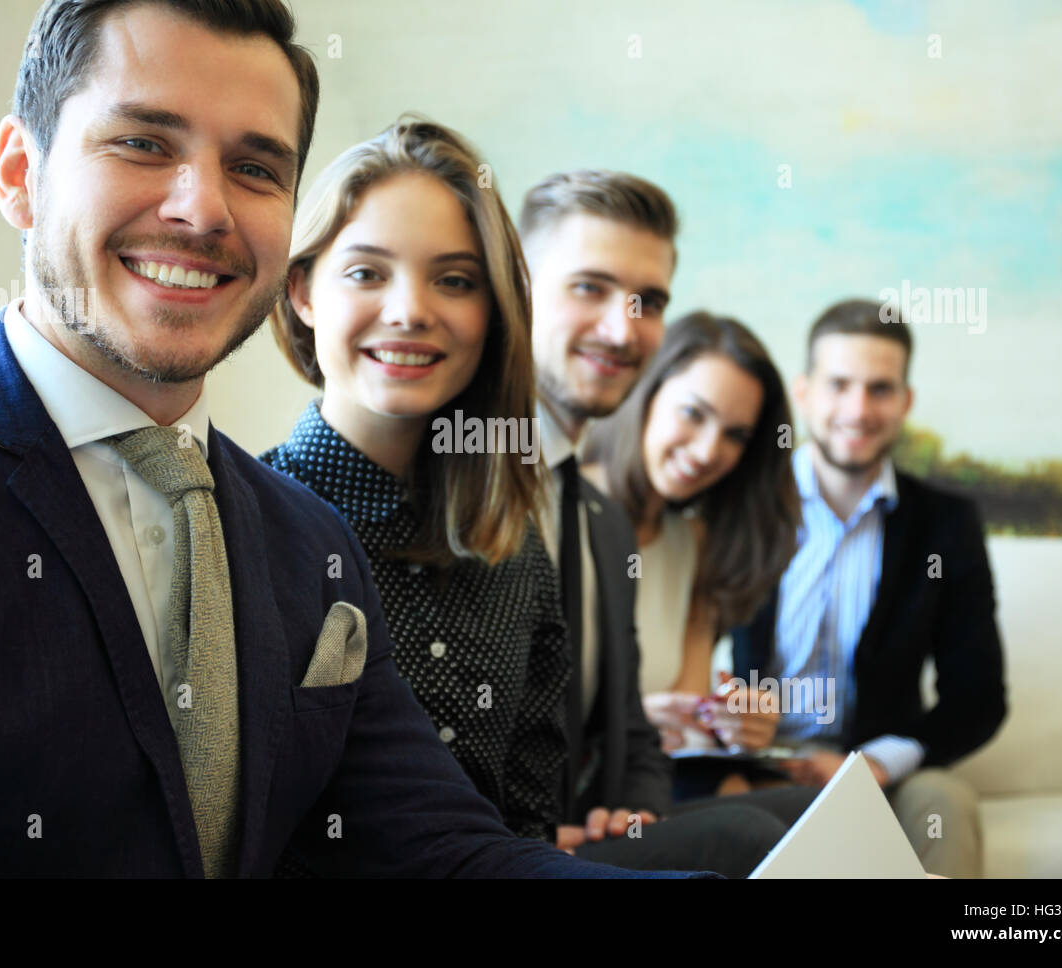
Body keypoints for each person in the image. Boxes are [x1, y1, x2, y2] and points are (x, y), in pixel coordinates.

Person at [0, 0, 704, 879]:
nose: (202, 208)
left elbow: (444, 848)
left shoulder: (307, 540)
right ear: (21, 172)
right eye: (144, 142)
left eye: (254, 167)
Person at [263, 124, 789, 877]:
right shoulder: (251, 523)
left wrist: (601, 826)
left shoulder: (514, 537)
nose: (411, 309)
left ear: (494, 306)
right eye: (367, 273)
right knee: (746, 840)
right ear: (303, 290)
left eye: (454, 280)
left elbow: (536, 797)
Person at [518, 171, 814, 863]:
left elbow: (657, 726)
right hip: (534, 824)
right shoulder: (524, 487)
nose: (709, 450)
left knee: (810, 807)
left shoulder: (631, 526)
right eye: (589, 285)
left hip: (612, 797)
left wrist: (721, 731)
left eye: (646, 301)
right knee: (746, 829)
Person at [729, 298, 1008, 877]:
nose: (857, 409)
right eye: (839, 385)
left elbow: (978, 699)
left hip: (877, 767)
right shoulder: (740, 503)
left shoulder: (945, 524)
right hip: (754, 763)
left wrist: (872, 765)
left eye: (880, 389)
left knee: (945, 803)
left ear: (906, 402)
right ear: (804, 392)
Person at [582, 312, 800, 795]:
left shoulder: (694, 544)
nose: (706, 451)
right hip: (563, 804)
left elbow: (685, 731)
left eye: (735, 435)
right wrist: (625, 726)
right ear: (646, 392)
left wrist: (731, 727)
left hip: (640, 793)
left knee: (782, 803)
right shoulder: (552, 510)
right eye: (694, 413)